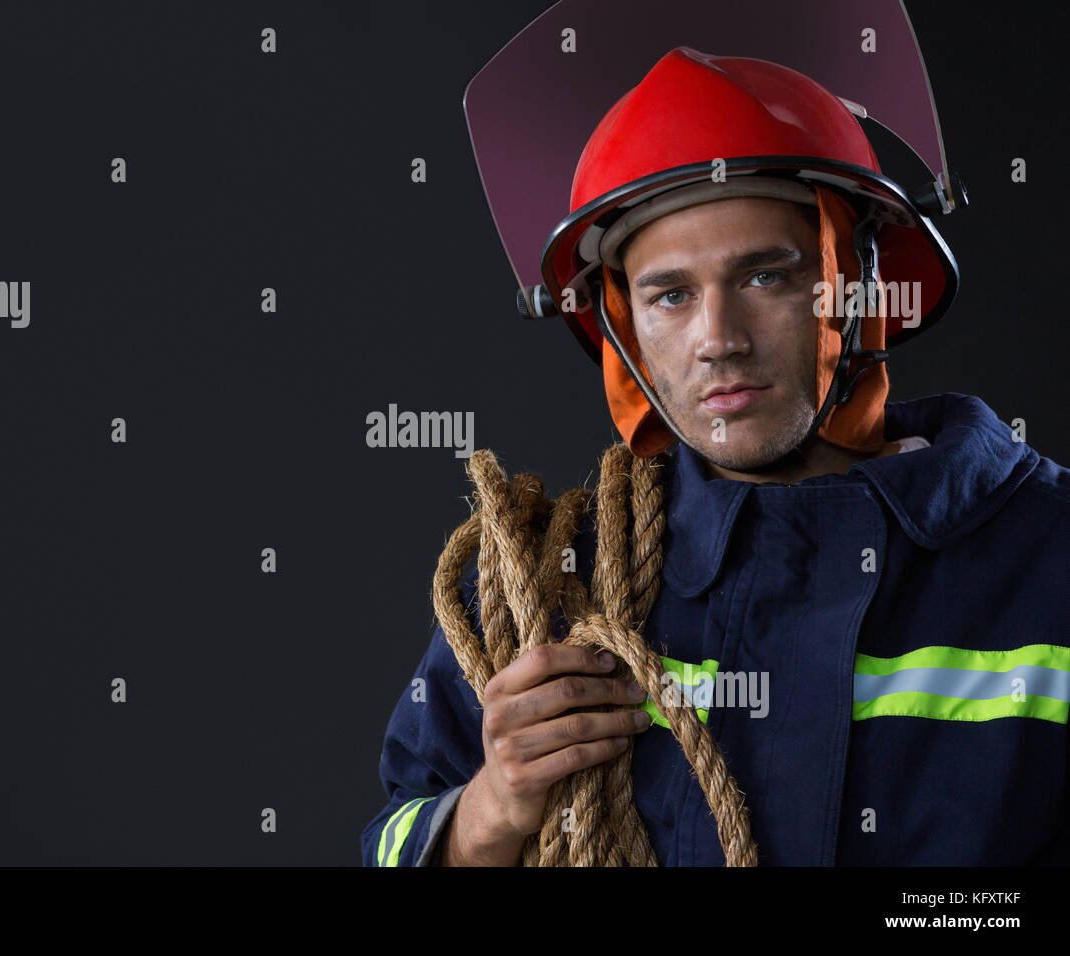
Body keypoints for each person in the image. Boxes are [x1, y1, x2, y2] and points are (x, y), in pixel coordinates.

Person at [362, 47, 1070, 866]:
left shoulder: (1046, 560)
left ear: (858, 282)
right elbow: (393, 836)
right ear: (621, 329)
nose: (718, 342)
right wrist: (489, 811)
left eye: (766, 278)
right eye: (670, 296)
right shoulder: (542, 585)